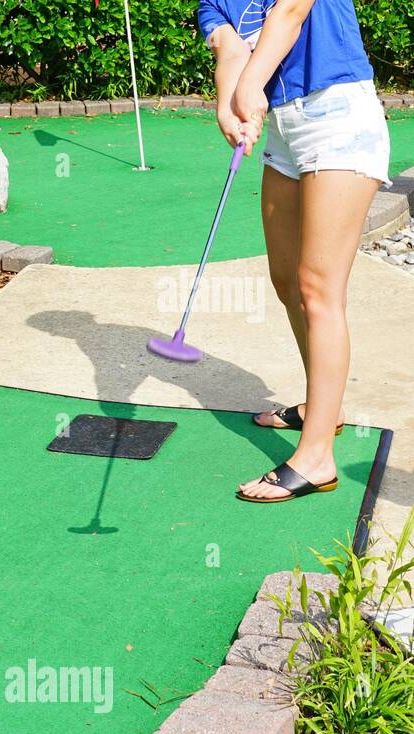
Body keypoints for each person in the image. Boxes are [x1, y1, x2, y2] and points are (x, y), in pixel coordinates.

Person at [198, 0, 390, 502]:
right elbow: (229, 46)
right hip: (284, 131)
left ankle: (317, 457)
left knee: (318, 288)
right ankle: (323, 407)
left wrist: (249, 86)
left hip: (338, 115)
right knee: (287, 282)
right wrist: (228, 103)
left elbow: (290, 14)